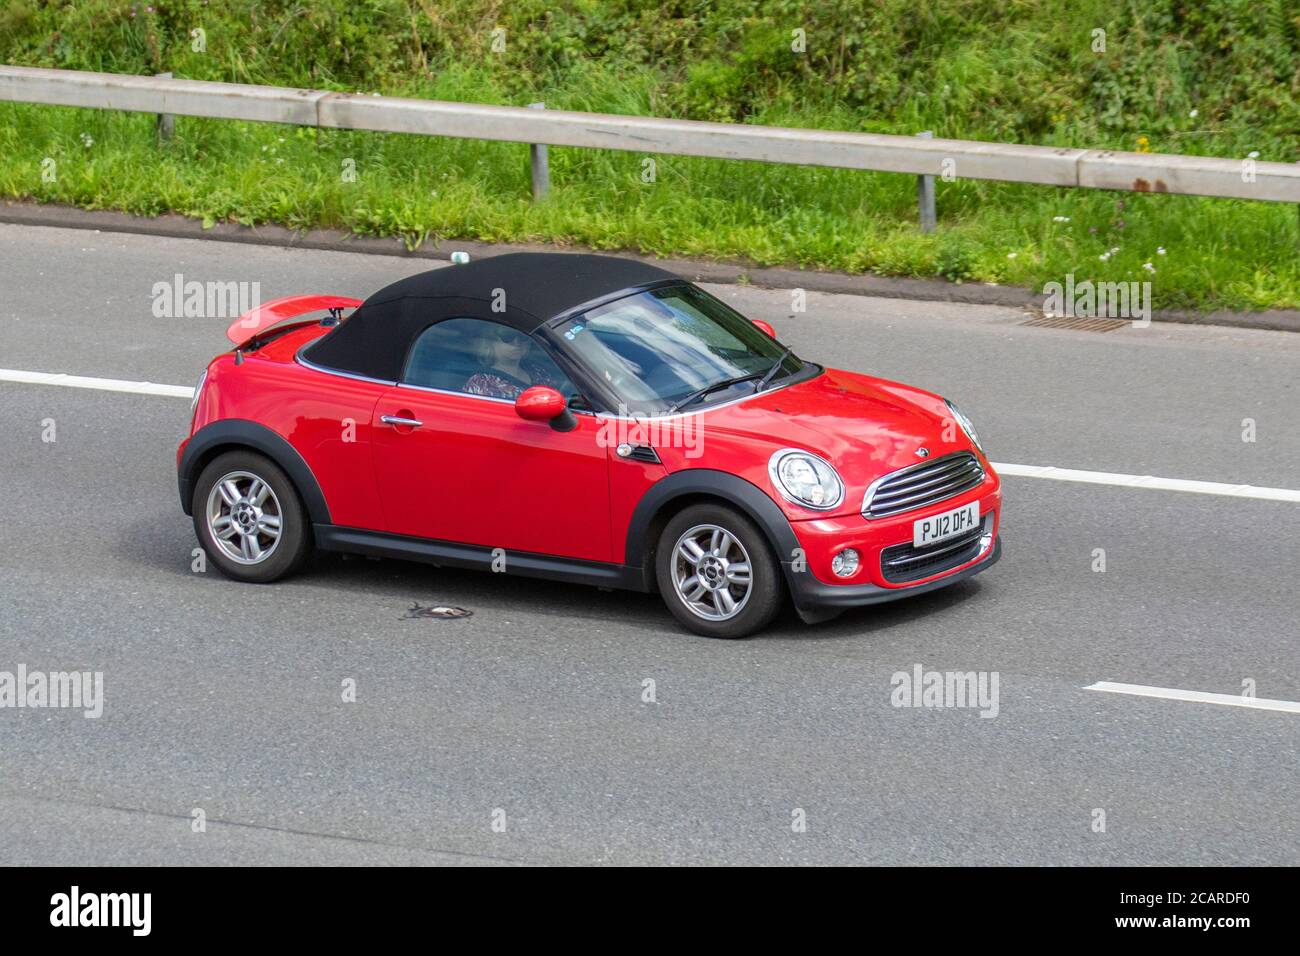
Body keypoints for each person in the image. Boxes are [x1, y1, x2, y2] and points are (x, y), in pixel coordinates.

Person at [463, 325, 564, 400]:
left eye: (522, 336)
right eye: (508, 337)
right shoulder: (481, 383)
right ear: (490, 341)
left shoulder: (537, 371)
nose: (517, 343)